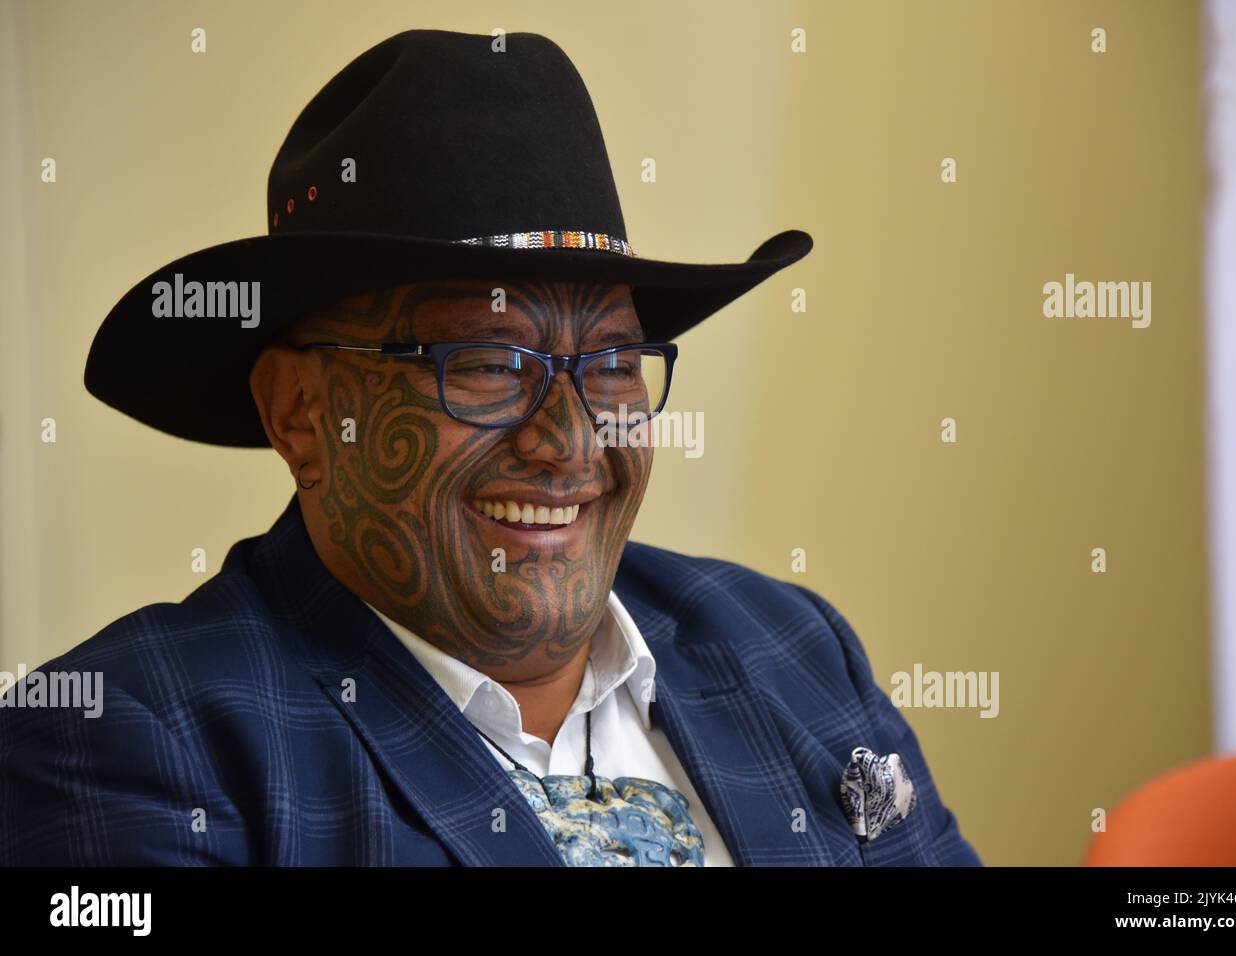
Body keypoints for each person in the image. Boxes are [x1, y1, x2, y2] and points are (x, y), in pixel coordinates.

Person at [0, 28, 980, 867]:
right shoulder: (130, 738)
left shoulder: (790, 645)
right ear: (300, 412)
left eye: (611, 361)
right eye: (484, 362)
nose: (567, 442)